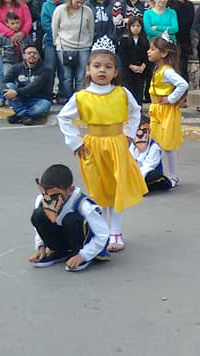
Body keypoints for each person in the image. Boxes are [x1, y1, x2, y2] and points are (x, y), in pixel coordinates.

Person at [56, 38, 146, 253]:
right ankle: (101, 231)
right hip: (92, 145)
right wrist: (75, 142)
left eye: (108, 67)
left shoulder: (122, 94)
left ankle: (115, 231)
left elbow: (135, 112)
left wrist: (129, 135)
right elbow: (63, 118)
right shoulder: (82, 97)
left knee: (116, 188)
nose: (102, 71)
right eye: (97, 66)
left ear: (115, 71)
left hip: (116, 143)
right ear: (88, 69)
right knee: (99, 189)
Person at [28, 164, 111, 272]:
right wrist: (41, 246)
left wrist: (83, 255)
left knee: (71, 219)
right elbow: (39, 227)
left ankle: (77, 254)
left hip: (82, 242)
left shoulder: (83, 205)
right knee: (38, 215)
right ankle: (59, 251)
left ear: (70, 190)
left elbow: (102, 234)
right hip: (62, 237)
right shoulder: (41, 200)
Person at [147, 34, 189, 188]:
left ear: (163, 53)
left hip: (166, 111)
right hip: (156, 110)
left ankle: (173, 176)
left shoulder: (166, 71)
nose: (148, 52)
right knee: (155, 142)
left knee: (168, 145)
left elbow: (183, 84)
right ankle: (153, 172)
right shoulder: (158, 69)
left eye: (152, 49)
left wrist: (171, 99)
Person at [0, 0, 33, 105]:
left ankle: (17, 95)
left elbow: (28, 22)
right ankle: (1, 96)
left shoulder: (22, 5)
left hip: (21, 41)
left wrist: (21, 33)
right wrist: (11, 34)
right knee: (3, 71)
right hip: (3, 42)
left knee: (21, 70)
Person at [52, 0, 94, 104]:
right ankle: (69, 100)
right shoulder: (60, 10)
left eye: (82, 2)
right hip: (64, 46)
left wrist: (88, 43)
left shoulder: (87, 11)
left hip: (83, 47)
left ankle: (79, 100)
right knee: (66, 76)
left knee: (81, 76)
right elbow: (55, 29)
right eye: (77, 2)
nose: (79, 5)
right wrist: (57, 43)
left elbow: (91, 30)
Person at [3, 44, 53, 125]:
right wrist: (7, 92)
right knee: (9, 86)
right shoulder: (17, 67)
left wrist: (16, 92)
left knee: (45, 106)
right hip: (20, 99)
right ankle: (24, 116)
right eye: (29, 53)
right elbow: (4, 81)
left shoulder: (46, 70)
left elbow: (34, 86)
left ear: (39, 56)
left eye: (35, 53)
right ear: (24, 56)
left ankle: (20, 115)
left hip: (38, 100)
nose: (32, 55)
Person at [129, 115, 172, 191]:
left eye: (145, 130)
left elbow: (149, 166)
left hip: (146, 174)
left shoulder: (154, 147)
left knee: (154, 175)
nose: (142, 134)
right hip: (133, 173)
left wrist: (134, 178)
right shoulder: (130, 144)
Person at [40, 0, 66, 100]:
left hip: (66, 42)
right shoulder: (46, 6)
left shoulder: (67, 4)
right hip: (51, 42)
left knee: (63, 69)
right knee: (50, 68)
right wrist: (57, 34)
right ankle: (48, 93)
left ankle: (62, 93)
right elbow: (45, 24)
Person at [167, 0, 195, 81]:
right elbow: (168, 18)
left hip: (182, 42)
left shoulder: (188, 5)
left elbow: (185, 24)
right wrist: (178, 3)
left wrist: (179, 4)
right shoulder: (166, 4)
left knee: (181, 70)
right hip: (167, 41)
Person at [117, 17, 149, 104]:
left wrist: (143, 65)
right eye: (133, 26)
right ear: (129, 27)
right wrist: (131, 66)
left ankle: (138, 109)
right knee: (128, 90)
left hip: (141, 69)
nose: (136, 28)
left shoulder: (145, 40)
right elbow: (122, 55)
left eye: (138, 26)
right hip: (128, 69)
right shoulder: (124, 40)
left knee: (139, 90)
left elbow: (147, 55)